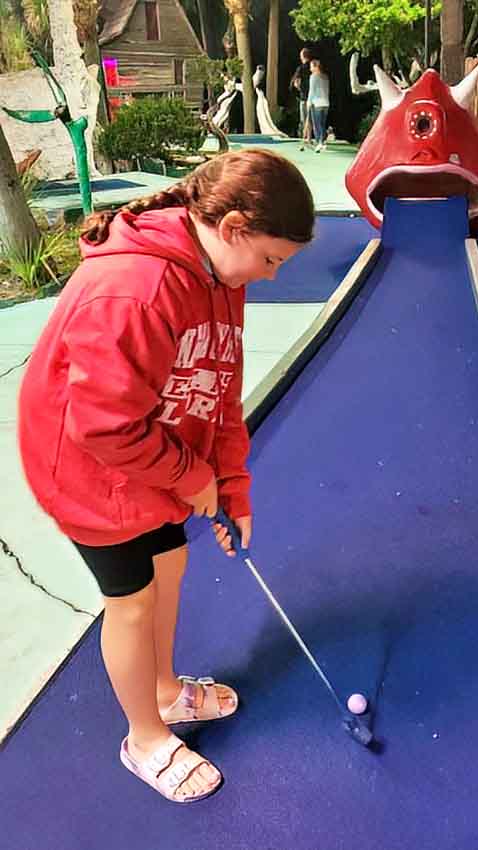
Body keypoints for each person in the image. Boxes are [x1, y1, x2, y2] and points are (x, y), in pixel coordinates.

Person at [18, 149, 315, 804]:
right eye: (271, 259)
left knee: (172, 563)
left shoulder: (223, 279)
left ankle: (161, 689)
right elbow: (100, 426)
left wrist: (230, 489)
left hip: (149, 449)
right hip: (85, 469)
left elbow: (219, 392)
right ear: (234, 226)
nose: (269, 276)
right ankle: (144, 738)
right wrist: (189, 476)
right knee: (133, 601)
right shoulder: (135, 291)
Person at [290, 47, 313, 151]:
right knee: (311, 118)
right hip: (314, 96)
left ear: (302, 56)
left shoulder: (301, 68)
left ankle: (306, 138)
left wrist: (300, 89)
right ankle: (309, 137)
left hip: (304, 97)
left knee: (304, 118)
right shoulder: (313, 67)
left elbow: (296, 82)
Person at [307, 59, 330, 153]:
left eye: (312, 66)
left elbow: (312, 90)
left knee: (317, 124)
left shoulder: (313, 76)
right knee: (322, 124)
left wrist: (309, 102)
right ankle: (323, 142)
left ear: (316, 67)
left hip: (317, 103)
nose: (310, 68)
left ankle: (319, 143)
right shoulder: (325, 76)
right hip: (326, 103)